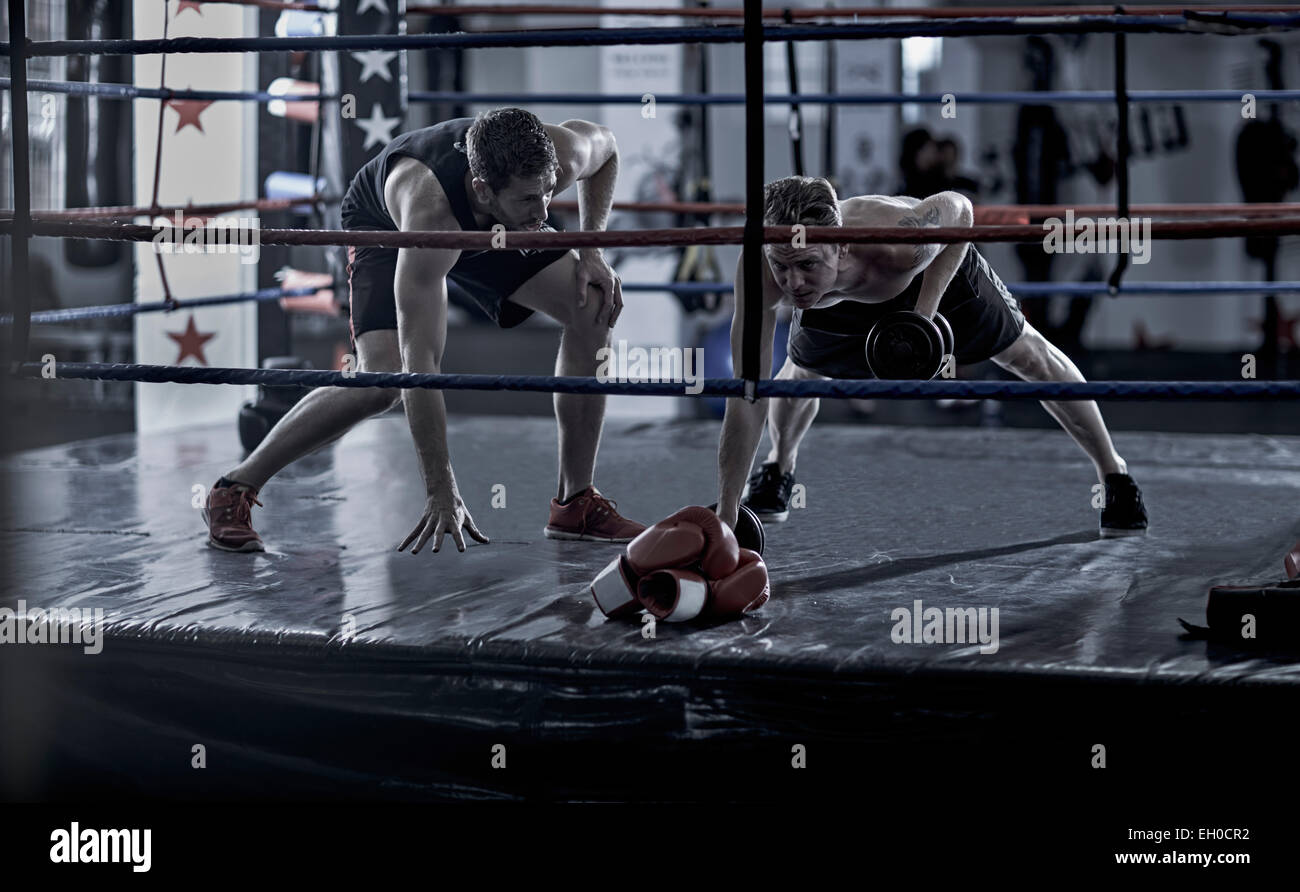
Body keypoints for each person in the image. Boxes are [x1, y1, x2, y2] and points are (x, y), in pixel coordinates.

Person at [203, 108, 646, 553]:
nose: (545, 211)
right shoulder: (429, 217)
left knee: (592, 303)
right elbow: (421, 365)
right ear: (483, 189)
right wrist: (440, 489)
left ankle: (575, 504)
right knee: (381, 383)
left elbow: (606, 150)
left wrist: (591, 249)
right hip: (385, 221)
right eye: (531, 200)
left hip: (492, 222)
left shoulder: (558, 158)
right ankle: (235, 488)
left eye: (548, 193)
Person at [715, 175, 1148, 538]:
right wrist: (727, 518)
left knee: (1028, 355)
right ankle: (779, 466)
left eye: (807, 264)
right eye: (782, 266)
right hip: (835, 302)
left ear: (842, 246)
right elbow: (746, 392)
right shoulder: (766, 265)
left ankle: (1114, 473)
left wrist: (924, 314)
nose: (792, 281)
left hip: (933, 275)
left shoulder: (897, 239)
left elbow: (960, 209)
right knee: (800, 370)